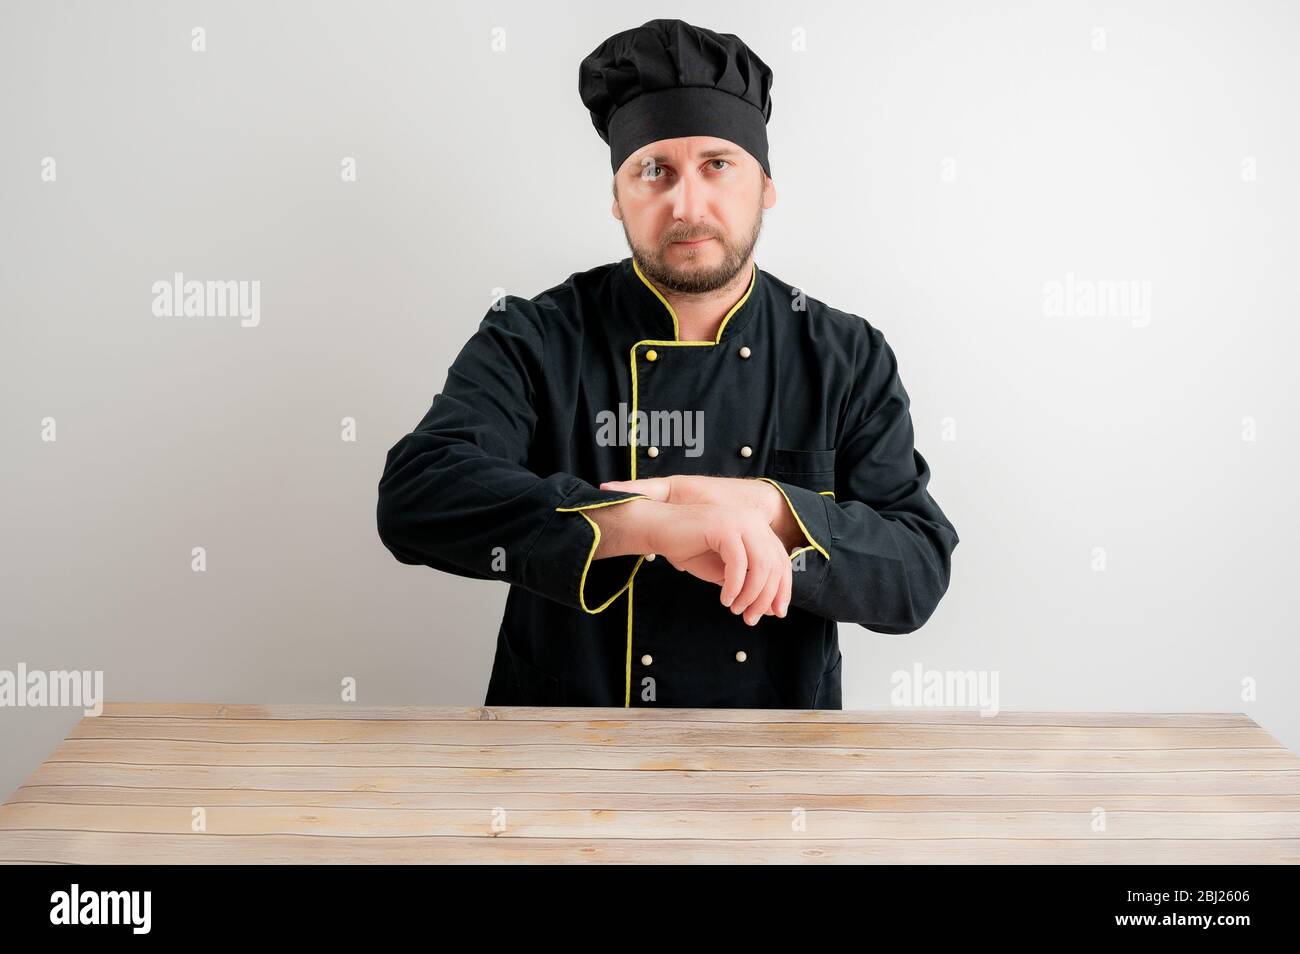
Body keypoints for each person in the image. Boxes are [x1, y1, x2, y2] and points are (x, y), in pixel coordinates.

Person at [376, 18, 959, 709]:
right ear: (618, 197)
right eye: (654, 171)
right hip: (562, 757)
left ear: (765, 185)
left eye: (718, 164)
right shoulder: (535, 336)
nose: (688, 205)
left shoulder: (845, 354)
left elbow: (916, 570)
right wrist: (640, 523)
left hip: (777, 767)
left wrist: (770, 508)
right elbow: (418, 496)